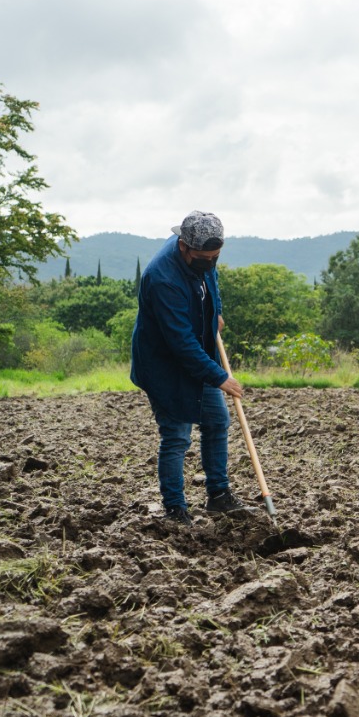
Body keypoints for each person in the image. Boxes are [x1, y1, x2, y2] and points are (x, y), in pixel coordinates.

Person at [131, 210, 251, 526]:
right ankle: (174, 508)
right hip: (164, 366)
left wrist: (217, 313)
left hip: (197, 353)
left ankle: (219, 496)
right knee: (177, 435)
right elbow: (180, 343)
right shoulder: (161, 278)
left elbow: (211, 283)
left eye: (216, 256)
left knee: (216, 420)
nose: (210, 262)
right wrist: (219, 376)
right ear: (184, 247)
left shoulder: (204, 258)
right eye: (204, 257)